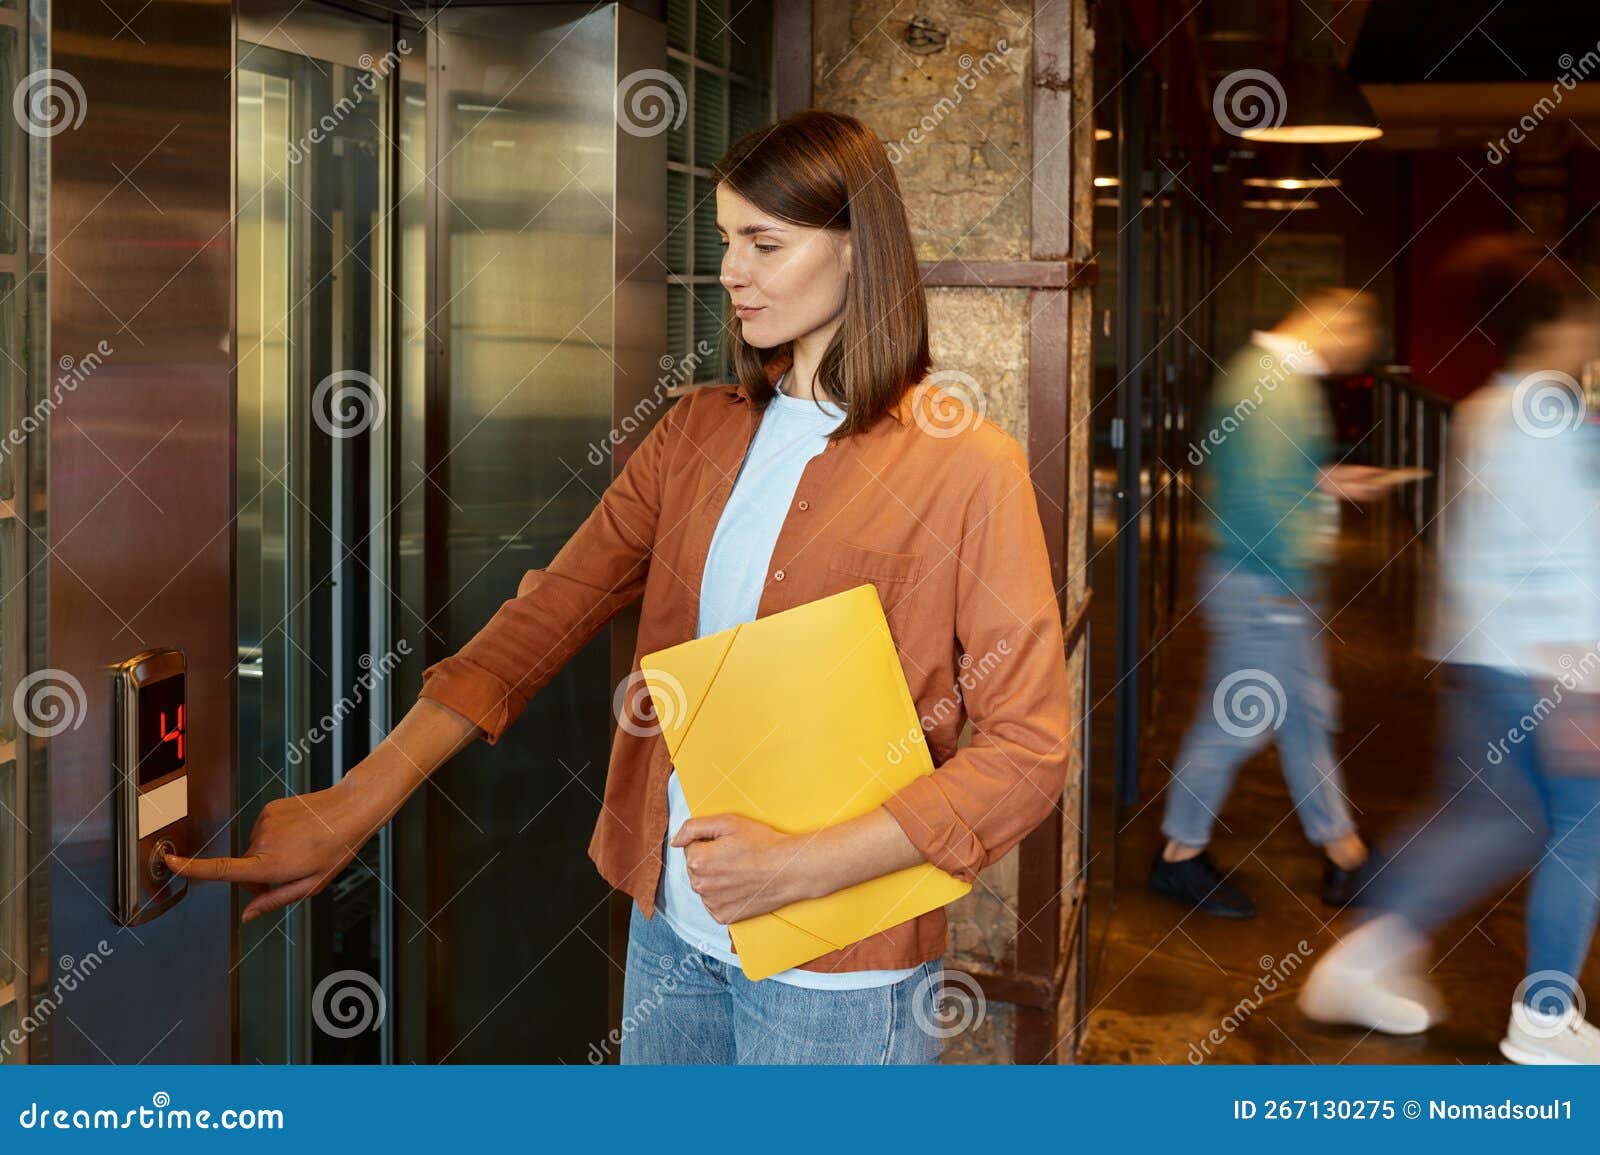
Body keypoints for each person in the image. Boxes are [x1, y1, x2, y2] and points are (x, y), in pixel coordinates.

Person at [166, 110, 1071, 1065]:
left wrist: (796, 867)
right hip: (671, 930)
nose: (731, 271)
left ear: (859, 251)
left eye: (766, 242)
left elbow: (1028, 748)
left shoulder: (967, 463)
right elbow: (544, 617)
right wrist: (352, 803)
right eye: (727, 240)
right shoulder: (694, 434)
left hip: (839, 975)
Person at [1299, 237, 1600, 1064]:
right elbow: (1572, 558)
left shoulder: (1486, 409)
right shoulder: (1551, 417)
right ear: (1558, 324)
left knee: (1488, 820)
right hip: (1552, 665)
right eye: (1586, 316)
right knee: (1581, 829)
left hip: (1485, 657)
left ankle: (1364, 957)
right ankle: (1544, 1016)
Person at [1150, 288, 1389, 919]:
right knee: (1238, 722)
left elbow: (1264, 476)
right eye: (1357, 338)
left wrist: (1325, 481)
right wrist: (1289, 578)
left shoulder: (1268, 377)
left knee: (1307, 717)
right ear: (1329, 327)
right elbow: (1258, 497)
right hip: (1265, 584)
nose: (1358, 354)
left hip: (1264, 579)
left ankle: (1346, 854)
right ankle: (1179, 855)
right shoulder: (1276, 384)